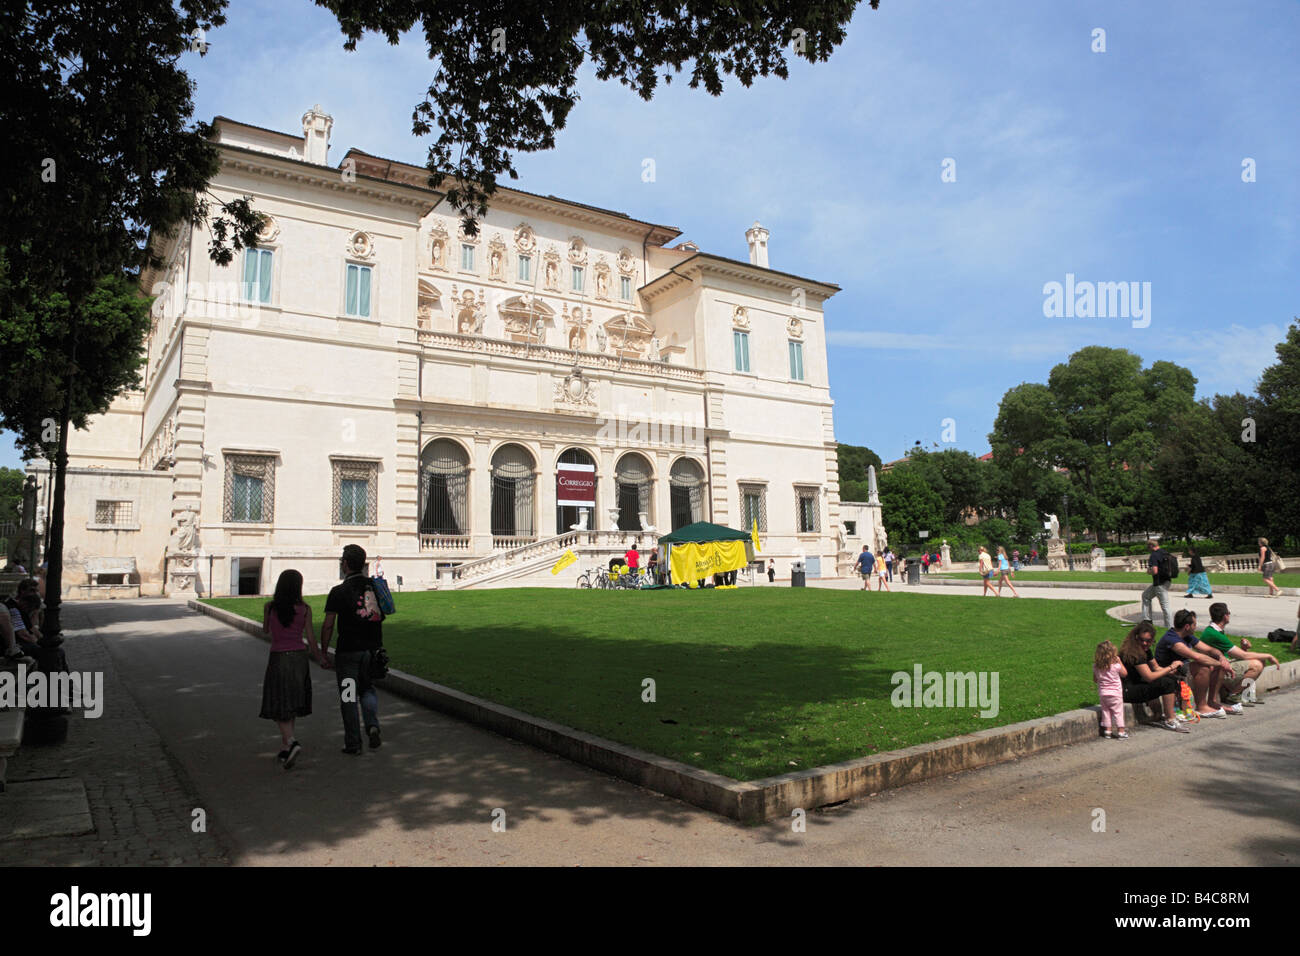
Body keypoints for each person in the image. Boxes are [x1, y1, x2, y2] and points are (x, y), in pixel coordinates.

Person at [321, 544, 385, 755]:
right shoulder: (374, 587)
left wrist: (323, 651)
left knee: (349, 697)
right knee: (367, 689)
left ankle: (353, 742)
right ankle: (372, 725)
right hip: (371, 650)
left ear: (346, 564)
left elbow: (328, 625)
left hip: (348, 652)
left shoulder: (338, 591)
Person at [260, 569, 326, 769]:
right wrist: (320, 658)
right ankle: (286, 746)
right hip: (299, 657)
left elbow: (266, 631)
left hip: (279, 657)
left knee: (278, 700)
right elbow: (311, 639)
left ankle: (290, 741)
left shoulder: (270, 607)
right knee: (292, 700)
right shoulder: (305, 609)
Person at [1154, 609, 1234, 718]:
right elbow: (1197, 657)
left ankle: (1212, 701)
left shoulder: (1186, 635)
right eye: (1194, 625)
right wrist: (1221, 664)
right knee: (1203, 667)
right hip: (1168, 672)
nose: (1196, 627)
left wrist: (1221, 658)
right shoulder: (1172, 640)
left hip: (1181, 669)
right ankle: (1202, 707)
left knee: (1214, 664)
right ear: (1187, 626)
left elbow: (1209, 649)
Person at [1201, 603, 1277, 707]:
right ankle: (1233, 695)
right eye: (1229, 613)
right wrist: (1269, 655)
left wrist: (1244, 648)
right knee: (1257, 665)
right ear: (1225, 616)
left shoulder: (1214, 631)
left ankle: (1242, 694)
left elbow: (1236, 655)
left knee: (1260, 660)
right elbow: (1244, 656)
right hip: (1217, 670)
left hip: (1220, 665)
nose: (1229, 615)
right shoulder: (1215, 634)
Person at [1118, 622, 1188, 732]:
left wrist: (1172, 671)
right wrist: (1170, 667)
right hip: (1126, 691)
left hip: (1138, 685)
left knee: (1171, 679)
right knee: (1166, 683)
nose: (1145, 643)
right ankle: (1170, 720)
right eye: (1142, 640)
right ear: (1136, 637)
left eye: (1148, 641)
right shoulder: (1134, 653)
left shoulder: (1145, 650)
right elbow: (1149, 677)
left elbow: (1156, 667)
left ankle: (1166, 714)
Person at [1093, 640, 1127, 739]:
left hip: (1103, 694)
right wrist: (1120, 662)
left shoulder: (1096, 667)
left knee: (1106, 711)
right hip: (1116, 693)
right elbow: (1124, 674)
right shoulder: (1115, 666)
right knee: (1118, 712)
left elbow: (1095, 679)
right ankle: (1121, 731)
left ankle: (1108, 730)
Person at [1141, 539, 1174, 629]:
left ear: (1151, 546)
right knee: (1145, 595)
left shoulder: (1154, 555)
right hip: (1167, 581)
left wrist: (1149, 572)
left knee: (1165, 605)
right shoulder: (1165, 552)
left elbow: (1155, 571)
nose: (1148, 549)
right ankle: (1147, 620)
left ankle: (1170, 626)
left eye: (1148, 547)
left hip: (1159, 582)